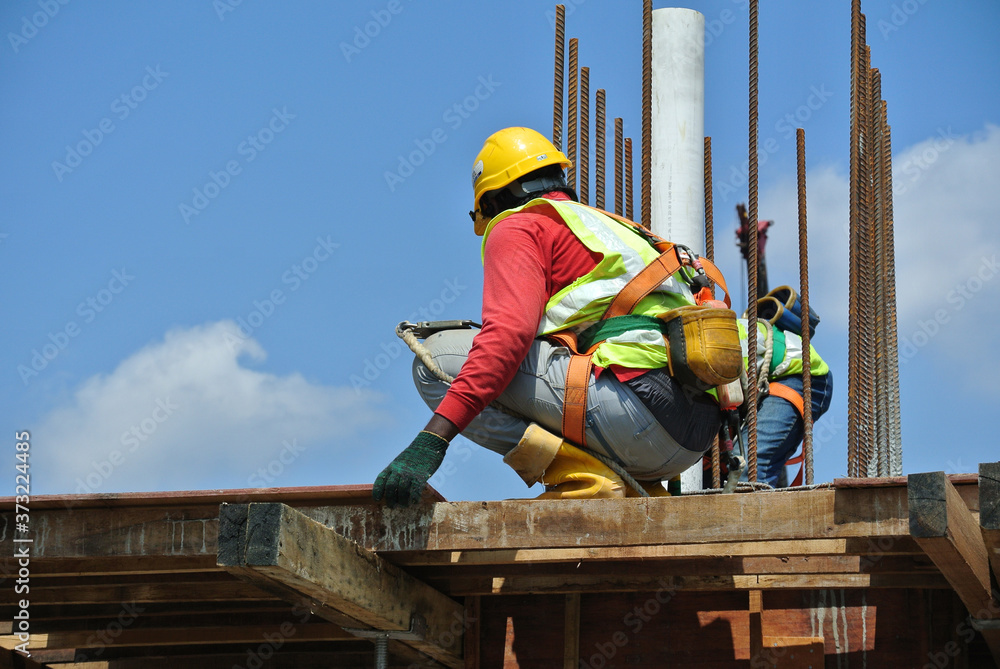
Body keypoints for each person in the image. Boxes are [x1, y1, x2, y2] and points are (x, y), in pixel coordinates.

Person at [372, 127, 822, 507]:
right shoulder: (611, 227)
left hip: (639, 415)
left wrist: (433, 440)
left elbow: (507, 335)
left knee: (438, 359)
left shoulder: (517, 224)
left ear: (492, 201)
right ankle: (628, 482)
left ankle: (588, 478)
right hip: (687, 436)